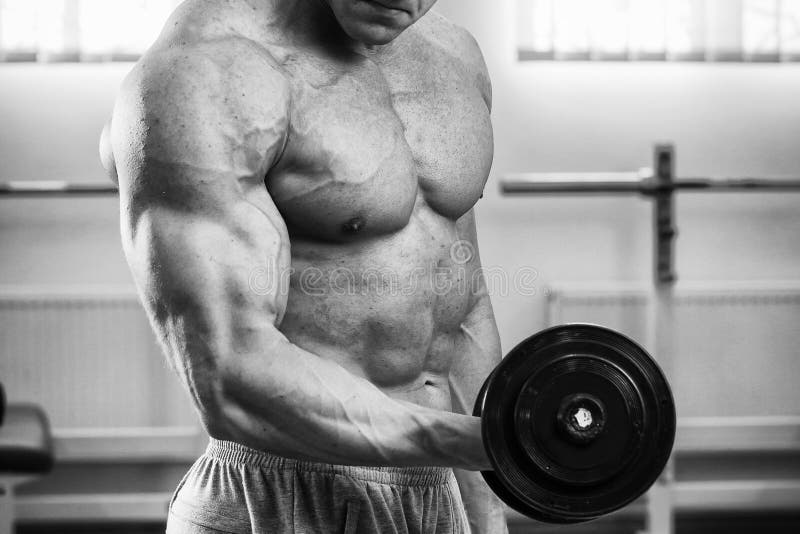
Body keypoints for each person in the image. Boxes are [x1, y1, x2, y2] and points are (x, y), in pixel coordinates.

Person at [100, 0, 506, 532]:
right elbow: (232, 374)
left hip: (436, 495)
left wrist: (486, 505)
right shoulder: (204, 70)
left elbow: (461, 299)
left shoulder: (455, 55)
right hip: (277, 496)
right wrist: (492, 442)